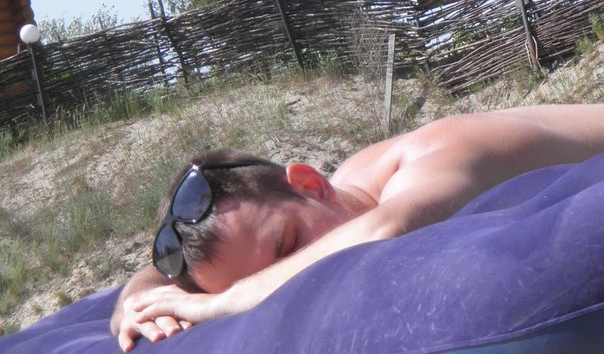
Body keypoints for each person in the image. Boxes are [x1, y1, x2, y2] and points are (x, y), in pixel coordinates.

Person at [111, 103, 604, 352]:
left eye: (288, 246)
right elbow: (151, 280)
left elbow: (387, 228)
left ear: (310, 183)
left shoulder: (425, 162)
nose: (285, 276)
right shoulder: (339, 193)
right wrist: (135, 304)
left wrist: (226, 300)